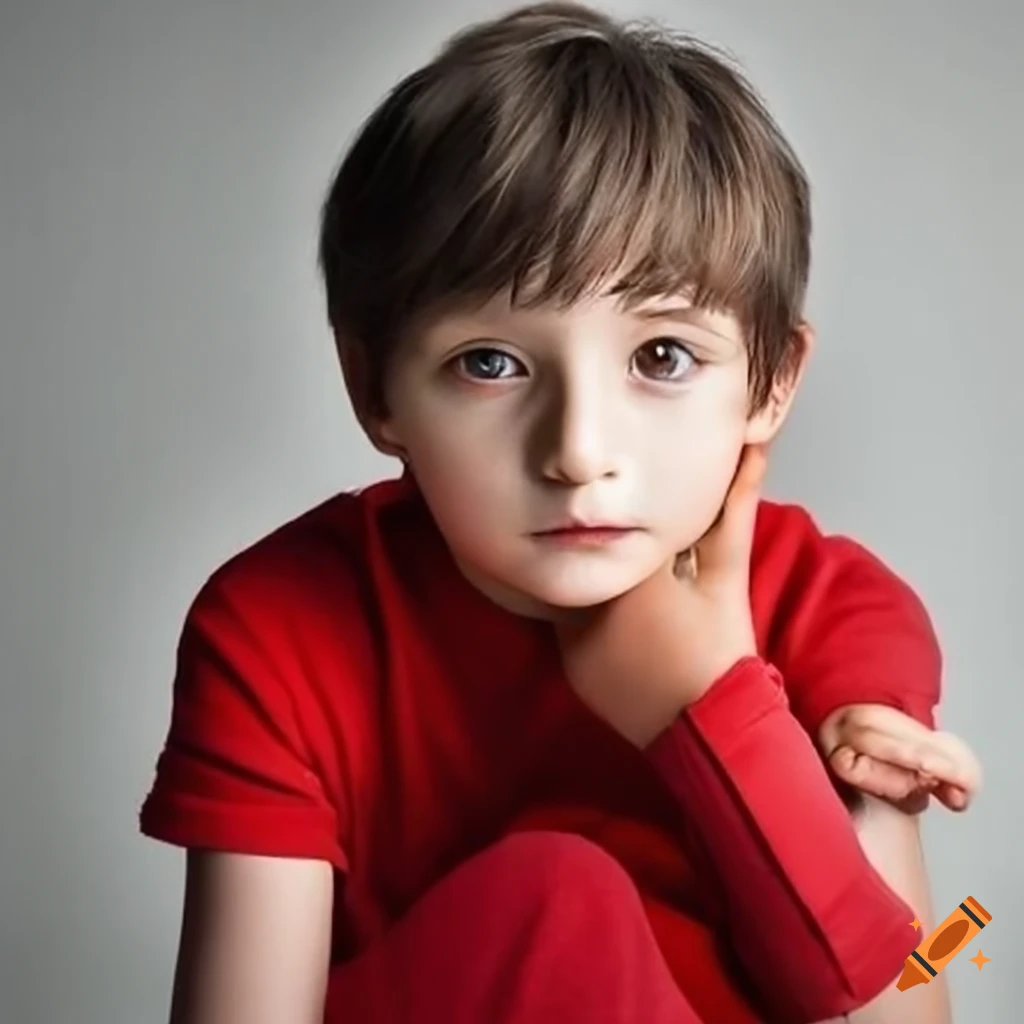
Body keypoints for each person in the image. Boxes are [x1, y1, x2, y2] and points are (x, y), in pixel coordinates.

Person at [138, 3, 982, 1022]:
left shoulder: (836, 611)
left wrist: (706, 705)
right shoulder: (279, 627)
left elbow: (894, 998)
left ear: (769, 382)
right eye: (488, 363)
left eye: (661, 357)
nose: (579, 450)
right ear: (375, 389)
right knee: (550, 902)